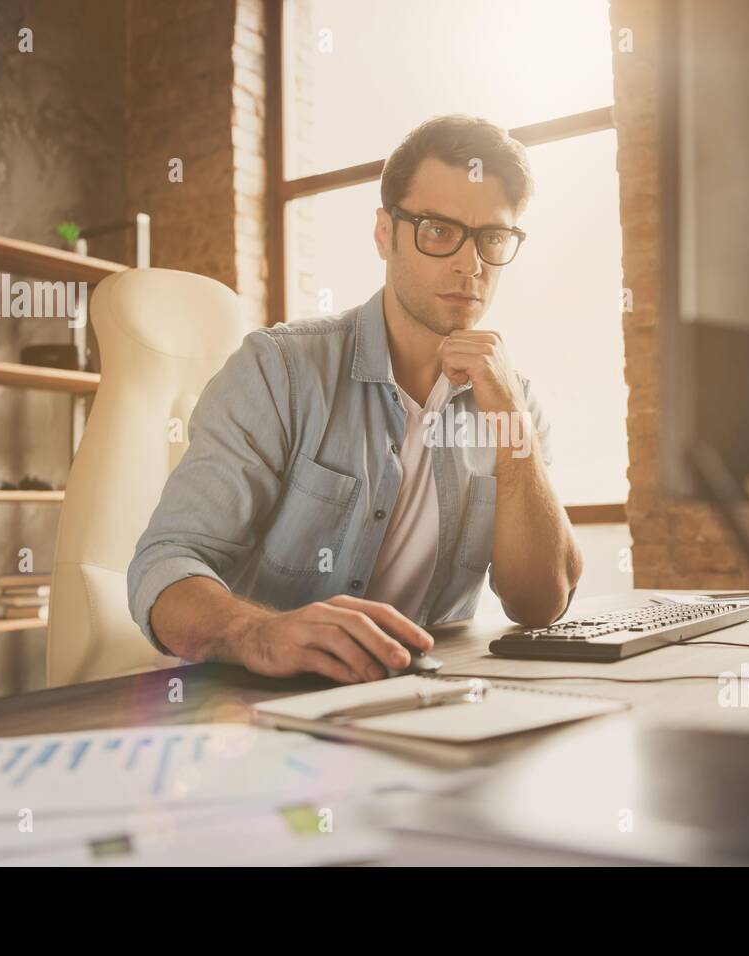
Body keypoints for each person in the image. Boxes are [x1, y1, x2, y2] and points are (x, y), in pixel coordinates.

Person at [127, 115, 583, 683]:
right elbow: (164, 567)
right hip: (261, 712)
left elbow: (540, 603)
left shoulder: (510, 400)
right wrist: (258, 633)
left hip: (422, 709)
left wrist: (514, 427)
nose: (471, 265)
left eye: (492, 238)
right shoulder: (280, 371)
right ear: (384, 234)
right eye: (438, 231)